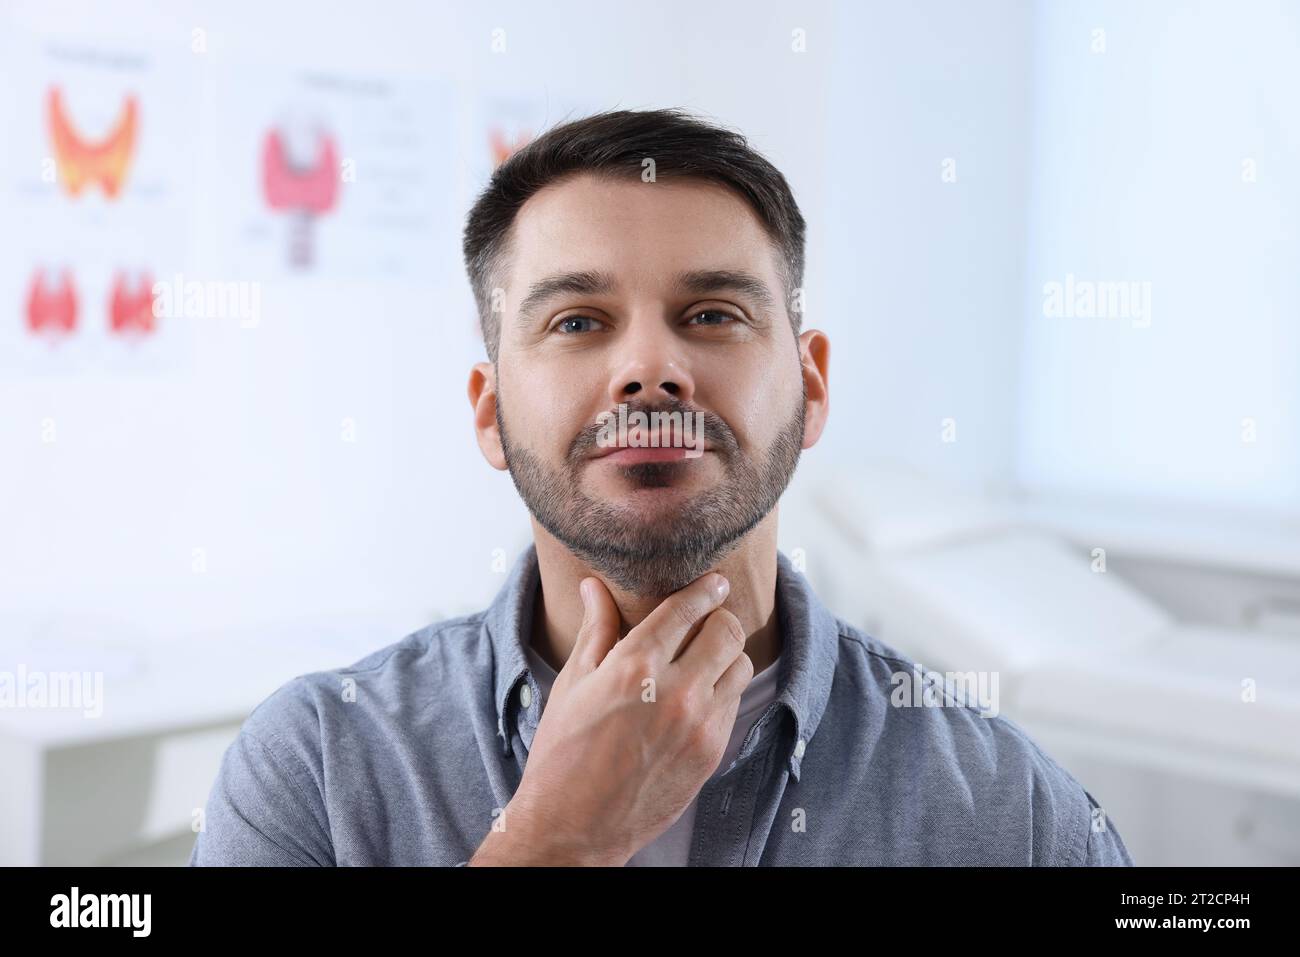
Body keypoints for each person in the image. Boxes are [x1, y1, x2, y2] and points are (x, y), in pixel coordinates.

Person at [190, 109, 1134, 866]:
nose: (650, 367)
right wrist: (554, 841)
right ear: (489, 411)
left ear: (810, 389)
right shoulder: (313, 770)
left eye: (712, 313)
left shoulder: (1017, 814)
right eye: (577, 321)